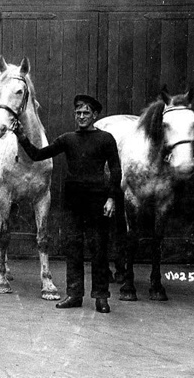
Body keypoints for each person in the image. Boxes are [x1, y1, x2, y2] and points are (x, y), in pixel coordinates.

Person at [15, 94, 121, 313]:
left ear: (95, 115)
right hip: (73, 201)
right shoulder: (67, 139)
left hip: (97, 201)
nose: (81, 117)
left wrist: (111, 197)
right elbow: (37, 155)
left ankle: (101, 297)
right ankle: (74, 294)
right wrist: (22, 136)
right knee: (73, 248)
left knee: (99, 249)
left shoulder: (106, 139)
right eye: (78, 113)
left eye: (86, 113)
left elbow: (116, 169)